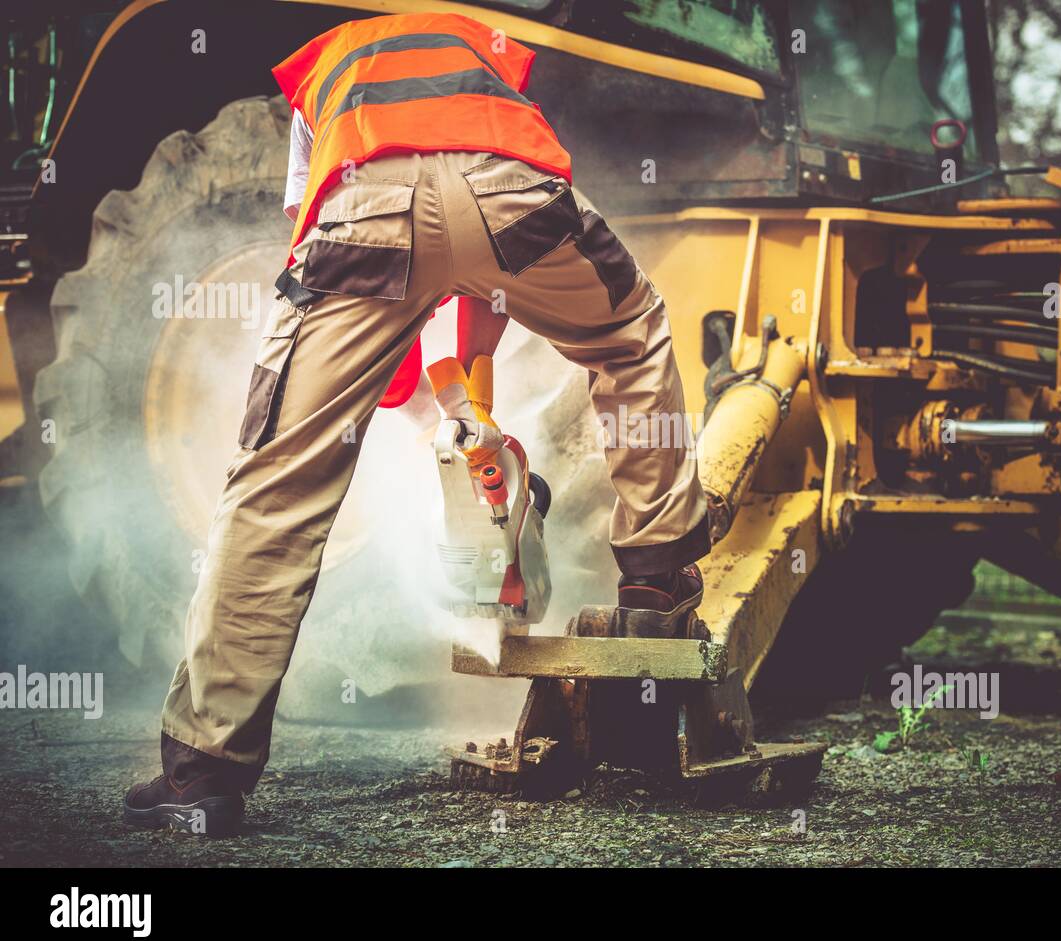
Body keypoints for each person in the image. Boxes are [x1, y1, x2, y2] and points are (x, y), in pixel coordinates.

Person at [123, 11, 708, 835]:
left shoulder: (319, 76)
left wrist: (386, 382)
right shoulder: (481, 43)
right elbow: (479, 221)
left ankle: (202, 771)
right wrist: (472, 400)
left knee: (277, 473)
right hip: (511, 200)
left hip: (362, 214)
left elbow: (315, 227)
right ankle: (655, 577)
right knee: (632, 330)